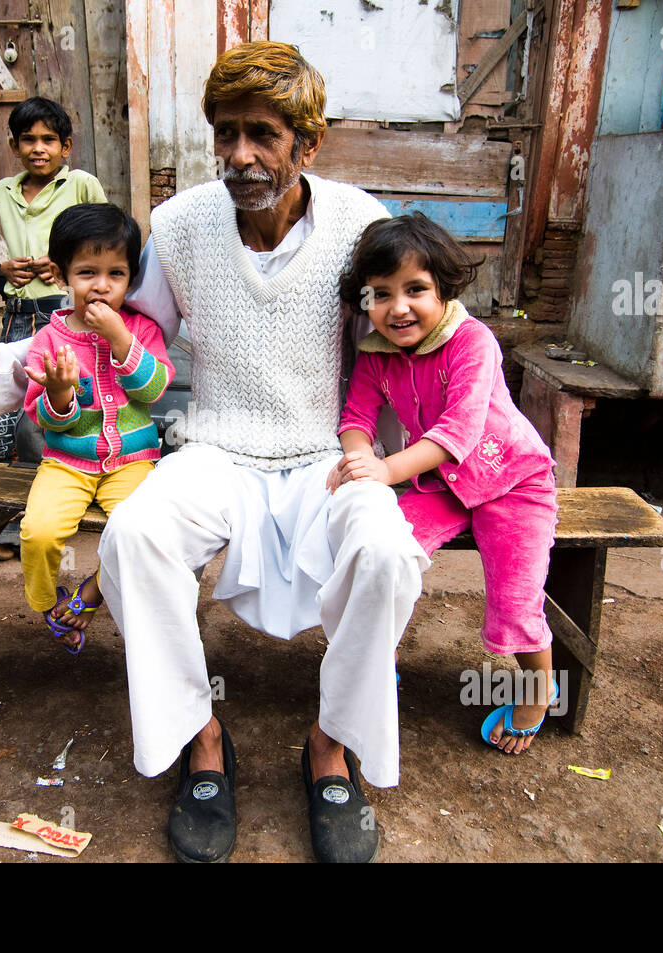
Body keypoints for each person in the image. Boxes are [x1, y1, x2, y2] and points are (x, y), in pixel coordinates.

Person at [95, 41, 430, 864]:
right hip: (217, 449)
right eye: (226, 133)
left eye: (263, 135)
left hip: (329, 450)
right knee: (134, 537)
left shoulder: (363, 225)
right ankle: (202, 741)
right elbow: (127, 334)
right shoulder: (178, 225)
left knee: (388, 552)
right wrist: (2, 366)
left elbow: (417, 330)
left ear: (307, 144)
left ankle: (331, 745)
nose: (239, 155)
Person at [334, 213, 560, 755]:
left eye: (416, 289)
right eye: (381, 295)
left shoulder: (471, 340)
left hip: (513, 480)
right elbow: (355, 420)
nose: (399, 308)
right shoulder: (376, 355)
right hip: (438, 484)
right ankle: (377, 668)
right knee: (382, 557)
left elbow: (457, 432)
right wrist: (359, 462)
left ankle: (539, 691)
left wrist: (386, 470)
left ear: (445, 290)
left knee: (515, 599)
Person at [16, 202, 173, 652]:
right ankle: (49, 604)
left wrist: (120, 339)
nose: (101, 286)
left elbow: (154, 390)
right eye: (87, 272)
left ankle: (90, 595)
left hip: (132, 462)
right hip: (67, 463)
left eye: (116, 274)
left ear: (131, 278)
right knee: (39, 532)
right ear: (63, 274)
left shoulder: (141, 329)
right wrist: (61, 394)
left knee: (138, 534)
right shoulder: (49, 339)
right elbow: (40, 415)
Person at [0, 96, 108, 565]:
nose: (39, 148)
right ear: (15, 146)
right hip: (19, 312)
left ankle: (50, 519)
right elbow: (10, 258)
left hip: (62, 310)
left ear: (66, 147)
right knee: (9, 418)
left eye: (48, 140)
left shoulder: (80, 183)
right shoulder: (4, 191)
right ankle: (21, 522)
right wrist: (4, 271)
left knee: (59, 410)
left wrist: (68, 267)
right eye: (28, 140)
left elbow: (105, 237)